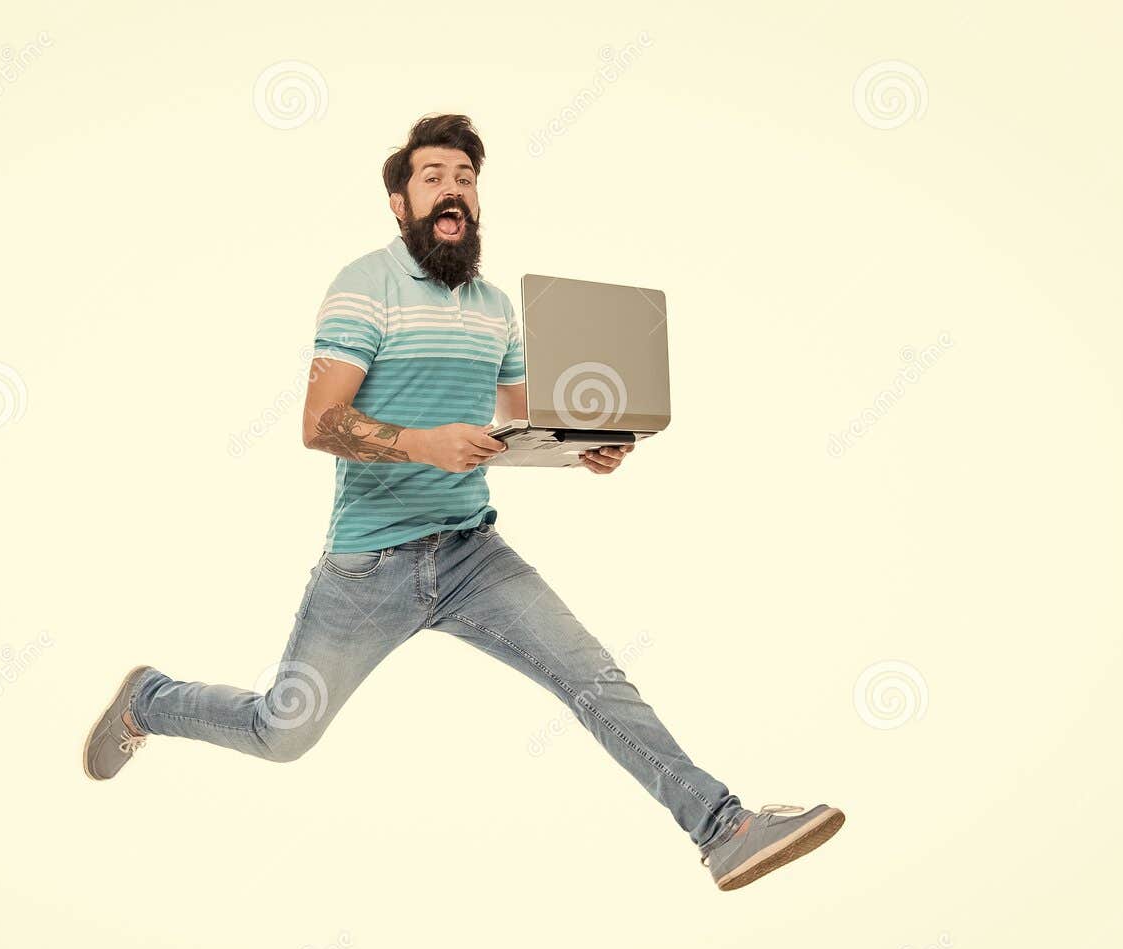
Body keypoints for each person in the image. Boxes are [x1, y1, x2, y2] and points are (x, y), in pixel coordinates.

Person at [82, 113, 843, 891]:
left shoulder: (494, 307)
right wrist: (422, 443)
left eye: (467, 180)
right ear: (399, 201)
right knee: (282, 732)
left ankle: (725, 829)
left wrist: (586, 449)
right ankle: (151, 699)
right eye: (435, 177)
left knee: (596, 680)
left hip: (472, 552)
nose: (454, 191)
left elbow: (515, 426)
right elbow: (319, 424)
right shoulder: (363, 286)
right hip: (369, 565)